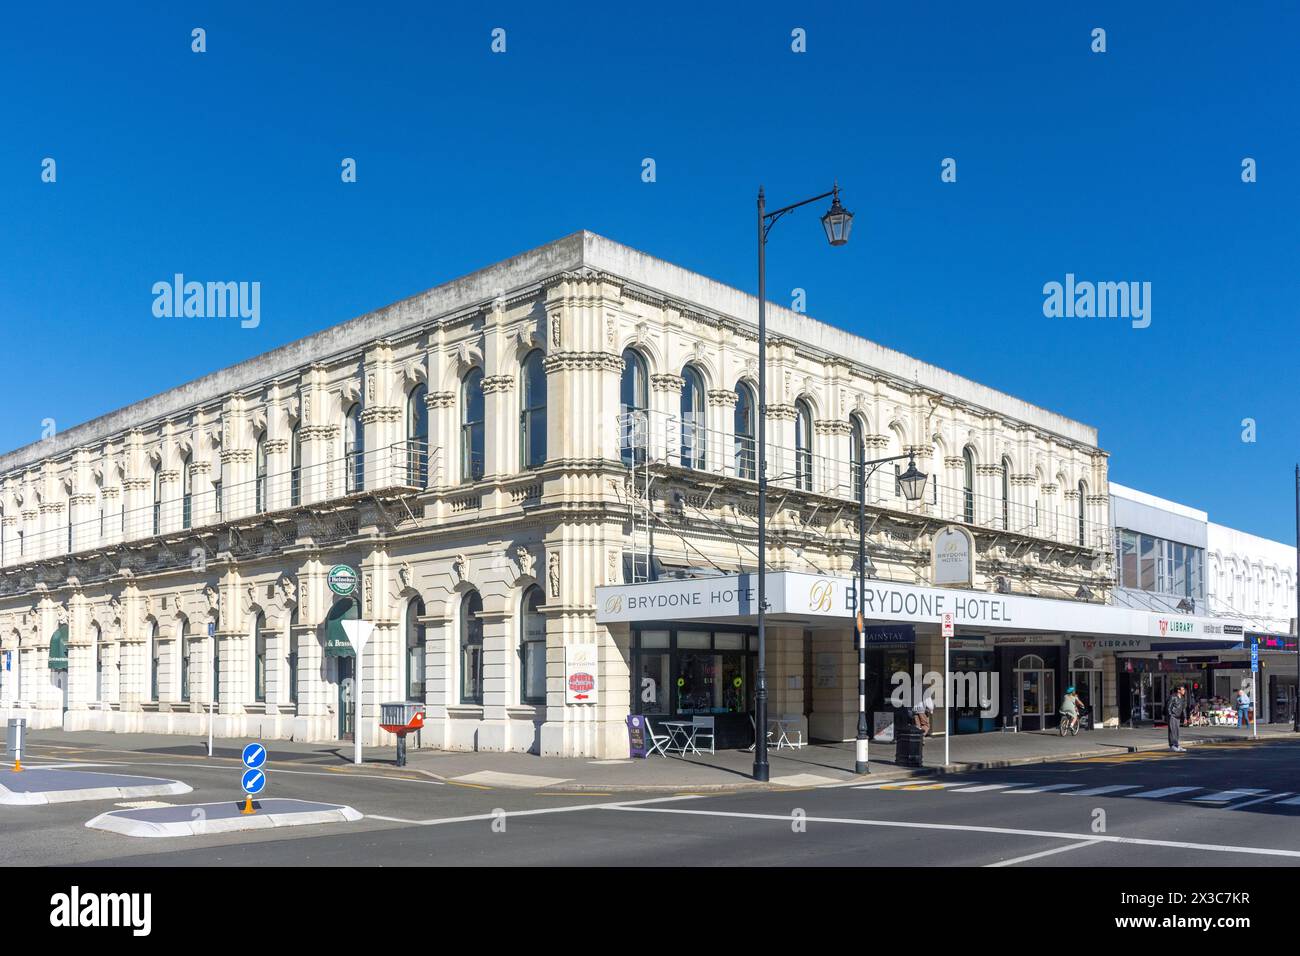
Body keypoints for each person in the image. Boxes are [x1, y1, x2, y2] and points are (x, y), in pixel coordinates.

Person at [1166, 684, 1188, 752]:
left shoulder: (1182, 698)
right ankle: (1172, 745)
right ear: (1178, 690)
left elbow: (1183, 708)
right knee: (1172, 731)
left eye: (1184, 689)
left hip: (1178, 716)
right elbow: (1168, 707)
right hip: (1172, 716)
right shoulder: (1173, 697)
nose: (1184, 691)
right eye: (1183, 689)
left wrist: (1185, 718)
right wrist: (1170, 715)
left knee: (1177, 731)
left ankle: (1177, 744)